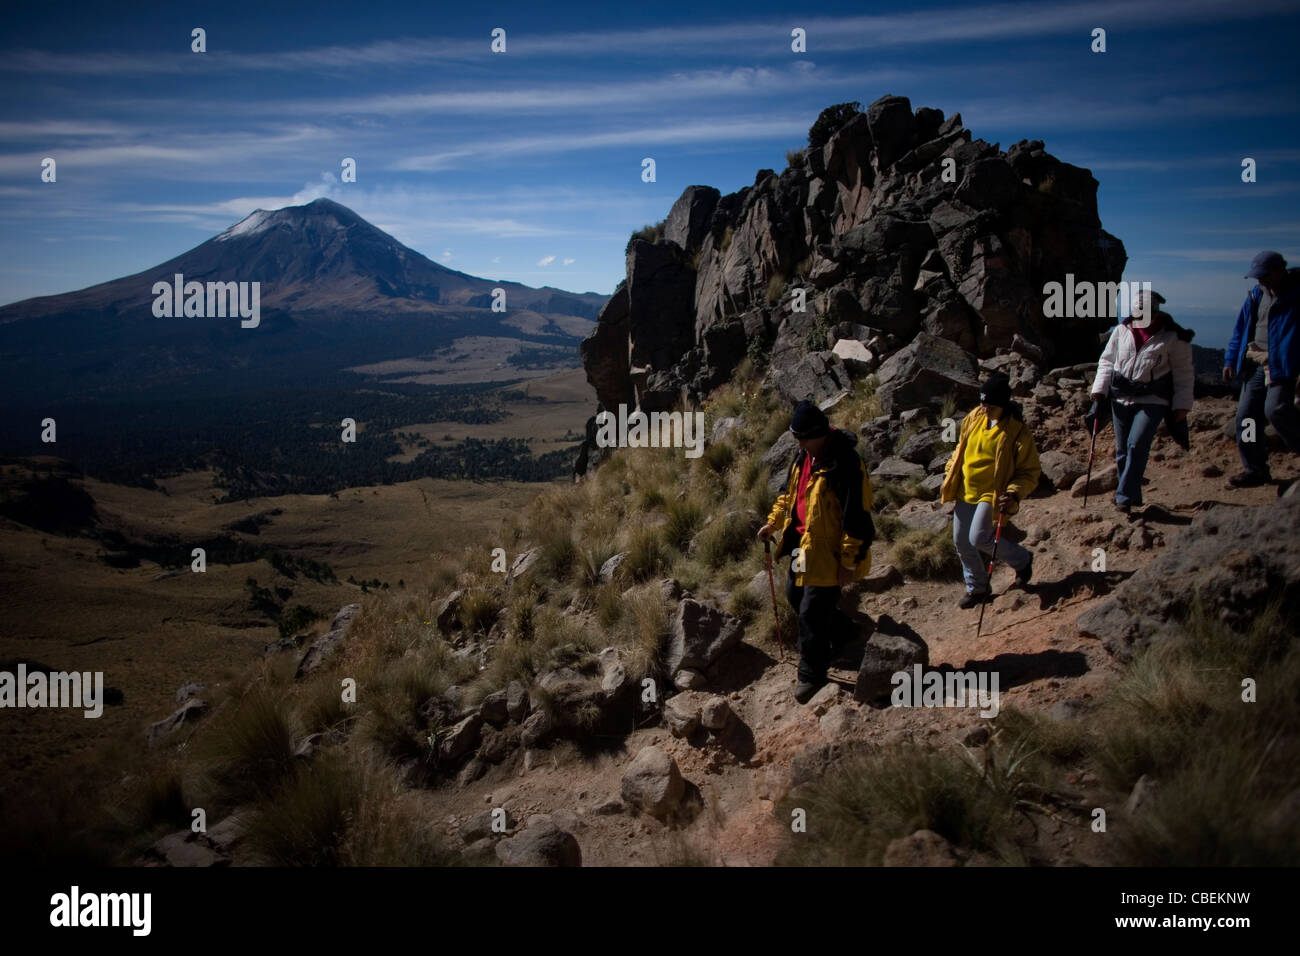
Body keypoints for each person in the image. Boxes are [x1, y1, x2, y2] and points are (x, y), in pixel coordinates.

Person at [757, 401, 874, 704]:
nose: (798, 444)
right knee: (795, 596)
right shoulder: (804, 456)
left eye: (802, 438)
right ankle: (845, 632)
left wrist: (848, 562)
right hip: (801, 545)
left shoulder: (845, 464)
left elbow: (857, 518)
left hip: (829, 553)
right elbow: (788, 495)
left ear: (819, 434)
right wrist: (773, 523)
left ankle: (812, 673)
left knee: (811, 610)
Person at [1088, 289, 1195, 514]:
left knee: (1136, 444)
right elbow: (1107, 362)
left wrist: (1182, 404)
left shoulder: (1172, 337)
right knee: (1122, 450)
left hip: (1153, 398)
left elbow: (1183, 372)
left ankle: (1124, 497)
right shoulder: (1121, 331)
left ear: (1155, 313)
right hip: (1120, 396)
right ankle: (1127, 494)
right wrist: (1099, 390)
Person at [940, 374, 1040, 608]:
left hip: (991, 493)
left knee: (978, 537)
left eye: (991, 407)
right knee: (961, 541)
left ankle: (1022, 560)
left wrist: (1014, 493)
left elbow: (1030, 472)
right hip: (966, 488)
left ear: (1003, 405)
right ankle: (978, 589)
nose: (985, 410)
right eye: (983, 404)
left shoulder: (1017, 432)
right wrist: (950, 468)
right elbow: (961, 447)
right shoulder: (974, 417)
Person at [1224, 251, 1300, 490]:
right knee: (1246, 418)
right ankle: (1254, 469)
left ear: (1280, 270)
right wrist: (1230, 358)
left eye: (1264, 275)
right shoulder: (1257, 294)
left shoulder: (1296, 295)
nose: (1261, 280)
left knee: (1276, 410)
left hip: (1284, 364)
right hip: (1254, 362)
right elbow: (1241, 328)